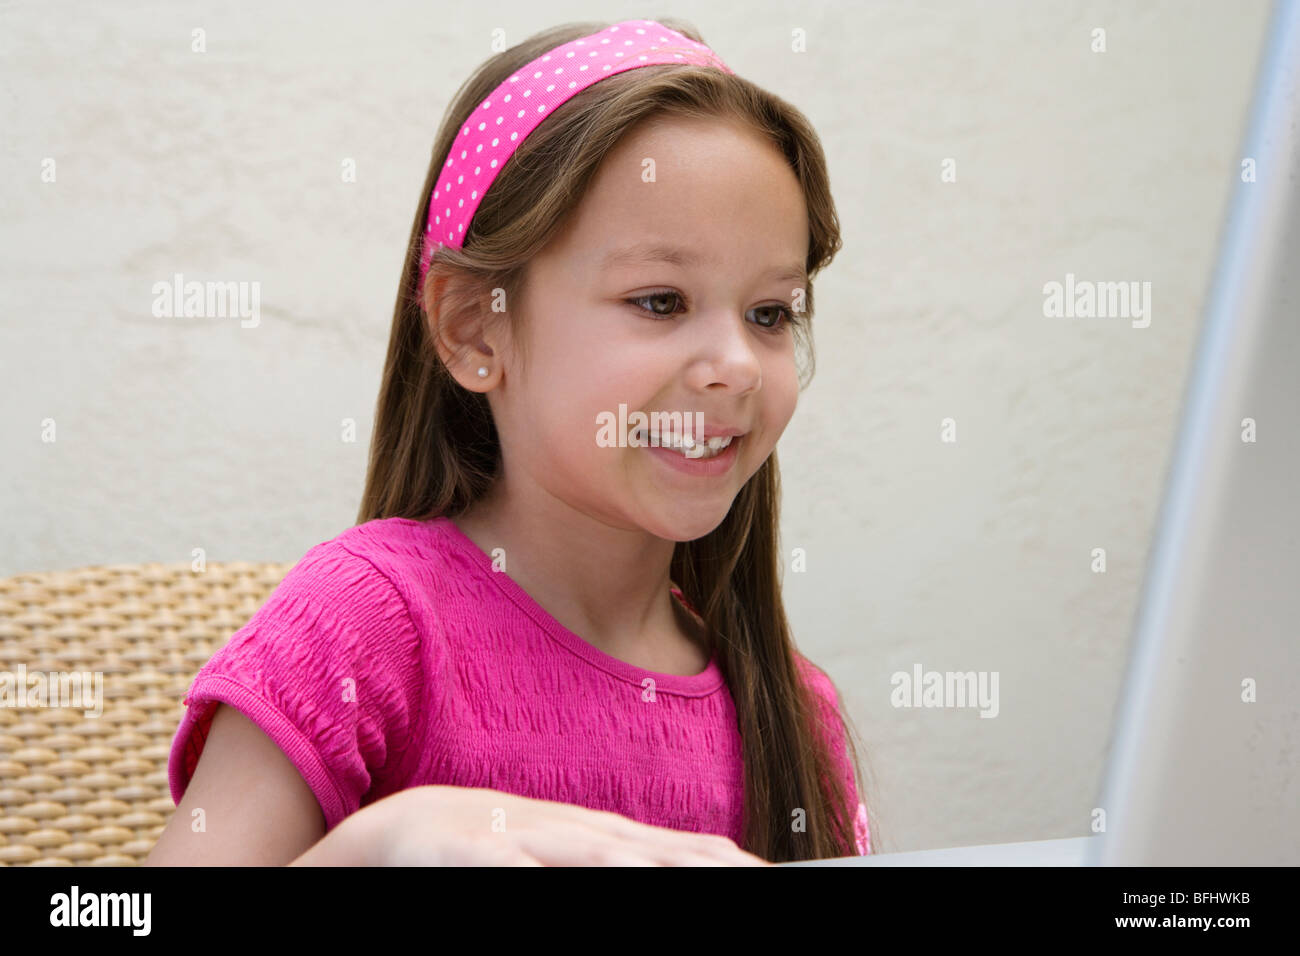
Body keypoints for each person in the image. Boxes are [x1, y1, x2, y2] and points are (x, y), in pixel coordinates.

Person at [145, 16, 874, 867]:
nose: (737, 366)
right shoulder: (366, 627)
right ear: (474, 329)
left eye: (770, 314)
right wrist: (377, 846)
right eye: (661, 301)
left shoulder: (794, 712)